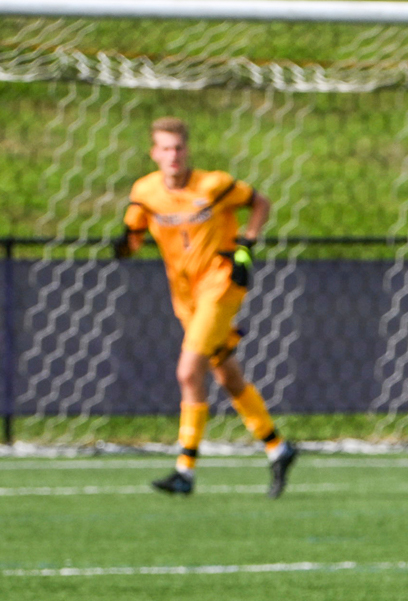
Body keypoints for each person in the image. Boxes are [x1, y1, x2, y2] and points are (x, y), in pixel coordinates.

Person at [116, 117, 297, 497]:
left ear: (188, 151)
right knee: (227, 377)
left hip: (221, 285)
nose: (173, 156)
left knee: (187, 372)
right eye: (165, 149)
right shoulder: (146, 191)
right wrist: (124, 245)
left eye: (178, 148)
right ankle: (278, 448)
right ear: (154, 154)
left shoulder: (213, 185)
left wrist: (248, 244)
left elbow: (260, 202)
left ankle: (185, 470)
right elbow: (133, 236)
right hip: (185, 298)